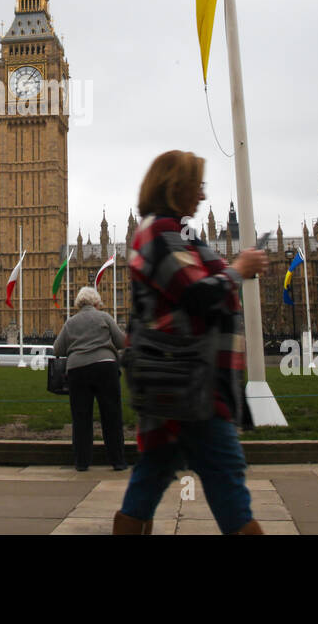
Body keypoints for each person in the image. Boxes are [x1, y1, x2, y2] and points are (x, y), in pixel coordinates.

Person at [114, 151, 269, 535]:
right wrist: (237, 270)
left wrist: (233, 270)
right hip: (186, 380)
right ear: (177, 187)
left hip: (182, 379)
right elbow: (196, 295)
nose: (202, 195)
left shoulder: (177, 231)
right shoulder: (160, 232)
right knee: (227, 473)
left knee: (154, 469)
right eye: (197, 186)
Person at [54, 286, 127, 472]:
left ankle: (82, 462)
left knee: (81, 417)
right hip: (105, 367)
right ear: (97, 303)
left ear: (78, 303)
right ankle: (117, 461)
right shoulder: (105, 317)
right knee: (111, 415)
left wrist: (76, 346)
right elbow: (121, 342)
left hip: (78, 370)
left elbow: (57, 349)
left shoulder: (70, 322)